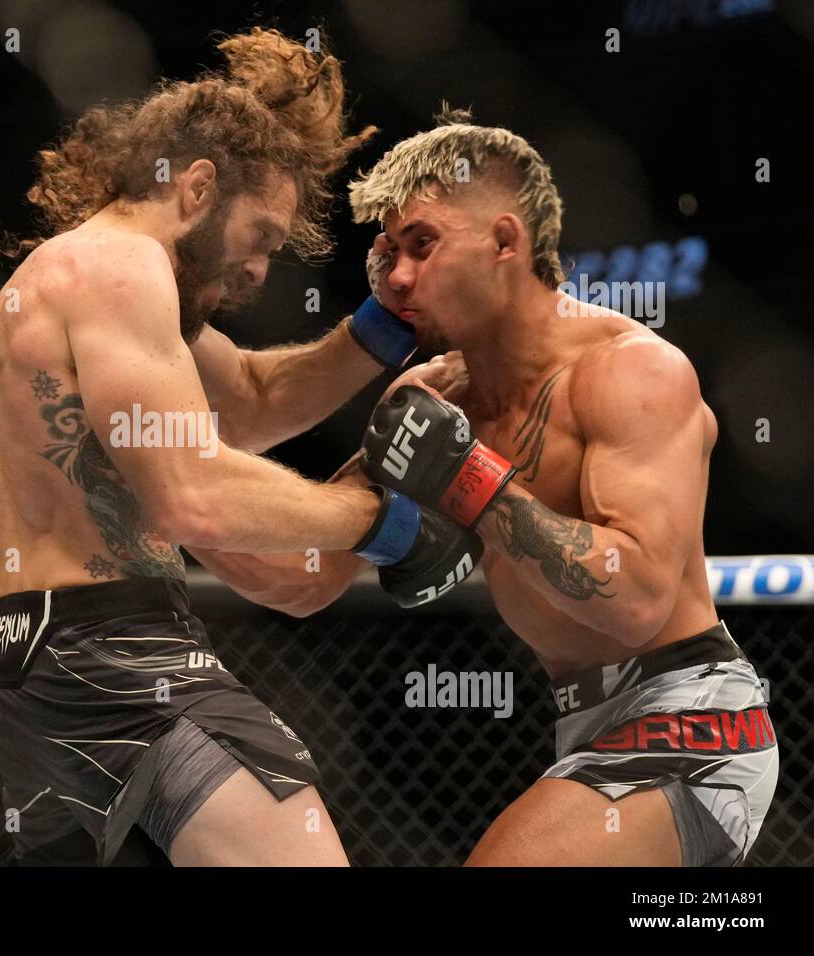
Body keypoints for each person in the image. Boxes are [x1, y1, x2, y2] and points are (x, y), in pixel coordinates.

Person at [199, 106, 779, 866]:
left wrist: (476, 483)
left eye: (423, 246)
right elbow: (306, 577)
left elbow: (636, 600)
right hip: (584, 727)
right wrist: (174, 494)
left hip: (692, 722)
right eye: (391, 253)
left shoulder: (630, 374)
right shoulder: (434, 396)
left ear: (506, 241)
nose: (398, 277)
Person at [0, 29, 481, 866]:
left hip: (42, 659)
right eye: (264, 237)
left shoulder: (89, 279)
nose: (259, 270)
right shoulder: (119, 267)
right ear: (200, 187)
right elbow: (188, 489)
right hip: (118, 656)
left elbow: (247, 400)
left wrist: (387, 329)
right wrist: (381, 522)